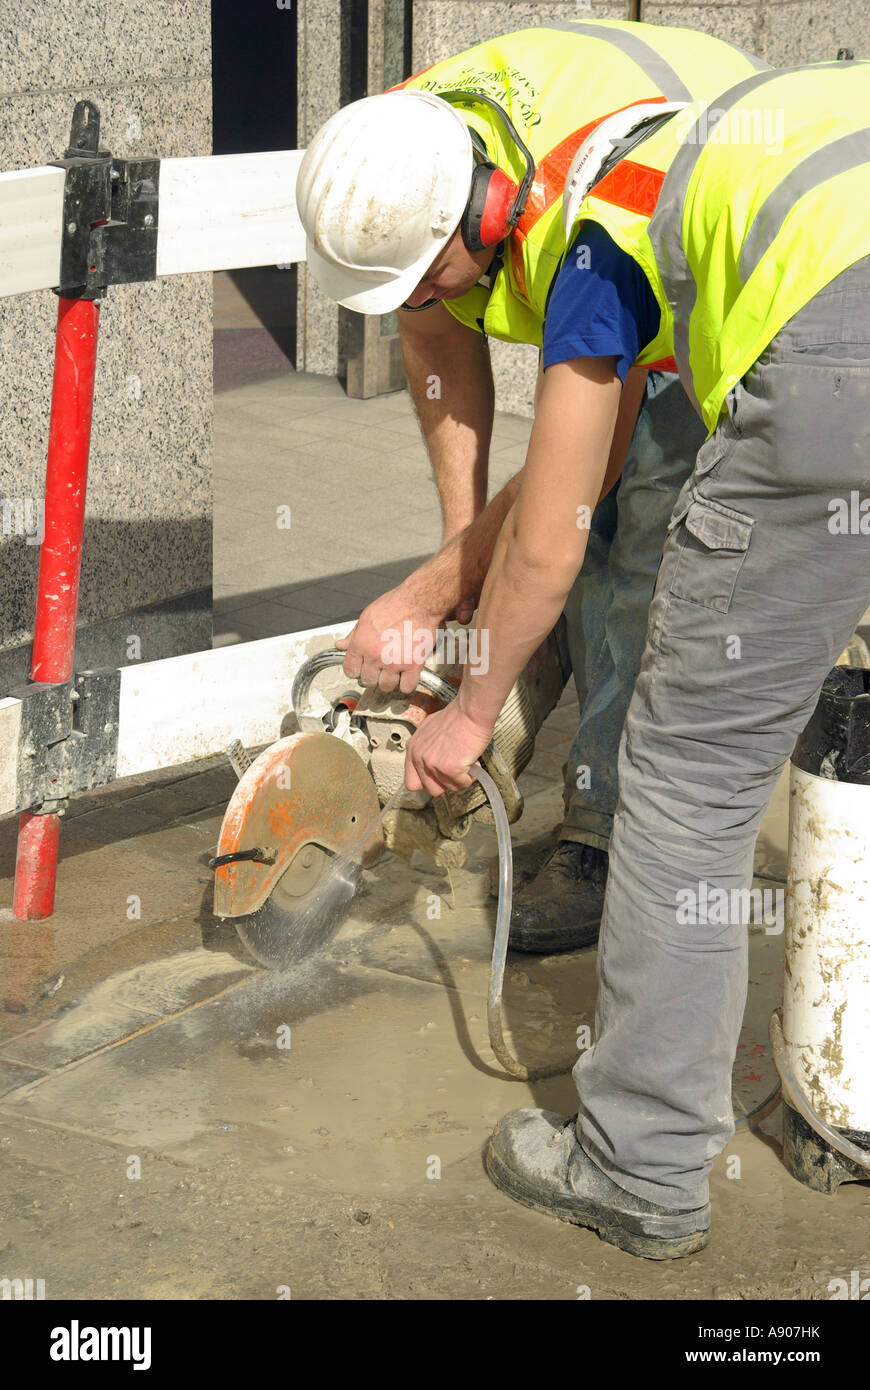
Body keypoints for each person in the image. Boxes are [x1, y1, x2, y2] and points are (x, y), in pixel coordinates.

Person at [400, 58, 870, 1258]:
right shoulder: (702, 134)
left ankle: (643, 1162)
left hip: (836, 348)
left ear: (483, 229)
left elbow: (553, 543)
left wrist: (470, 710)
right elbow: (590, 474)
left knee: (692, 775)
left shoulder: (595, 239)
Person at [296, 18, 766, 952]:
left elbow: (573, 485)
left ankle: (602, 830)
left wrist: (438, 603)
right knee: (526, 560)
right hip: (639, 175)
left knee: (635, 545)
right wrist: (462, 576)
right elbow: (433, 335)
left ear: (489, 212)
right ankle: (513, 736)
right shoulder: (402, 155)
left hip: (704, 241)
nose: (419, 298)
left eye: (424, 278)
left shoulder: (589, 228)